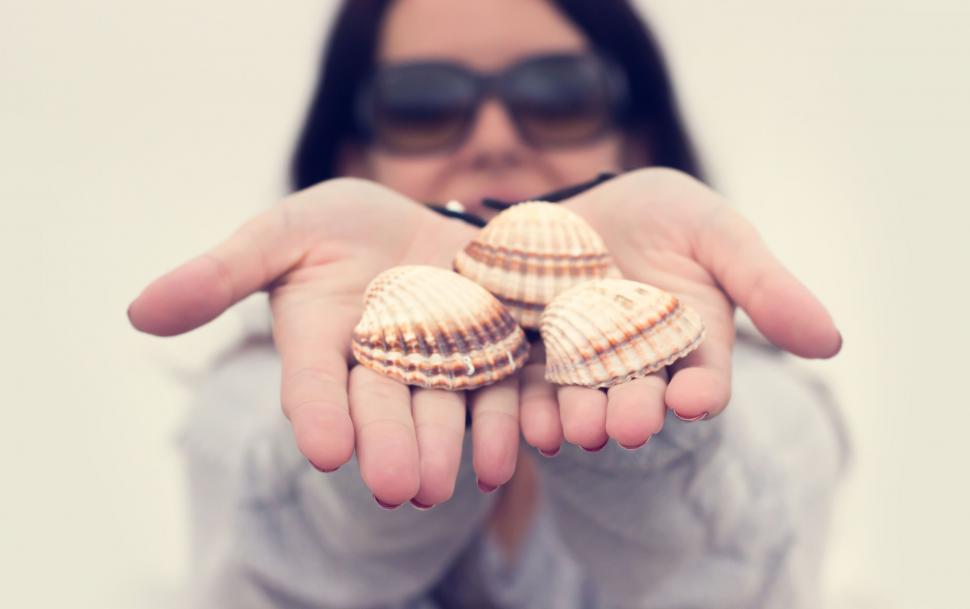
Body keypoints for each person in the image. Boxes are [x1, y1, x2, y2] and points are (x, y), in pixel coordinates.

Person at [127, 1, 849, 607]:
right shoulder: (248, 405)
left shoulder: (769, 411)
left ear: (638, 137)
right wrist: (395, 411)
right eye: (421, 104)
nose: (494, 139)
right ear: (353, 158)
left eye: (560, 93)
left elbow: (734, 571)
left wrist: (656, 445)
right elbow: (292, 562)